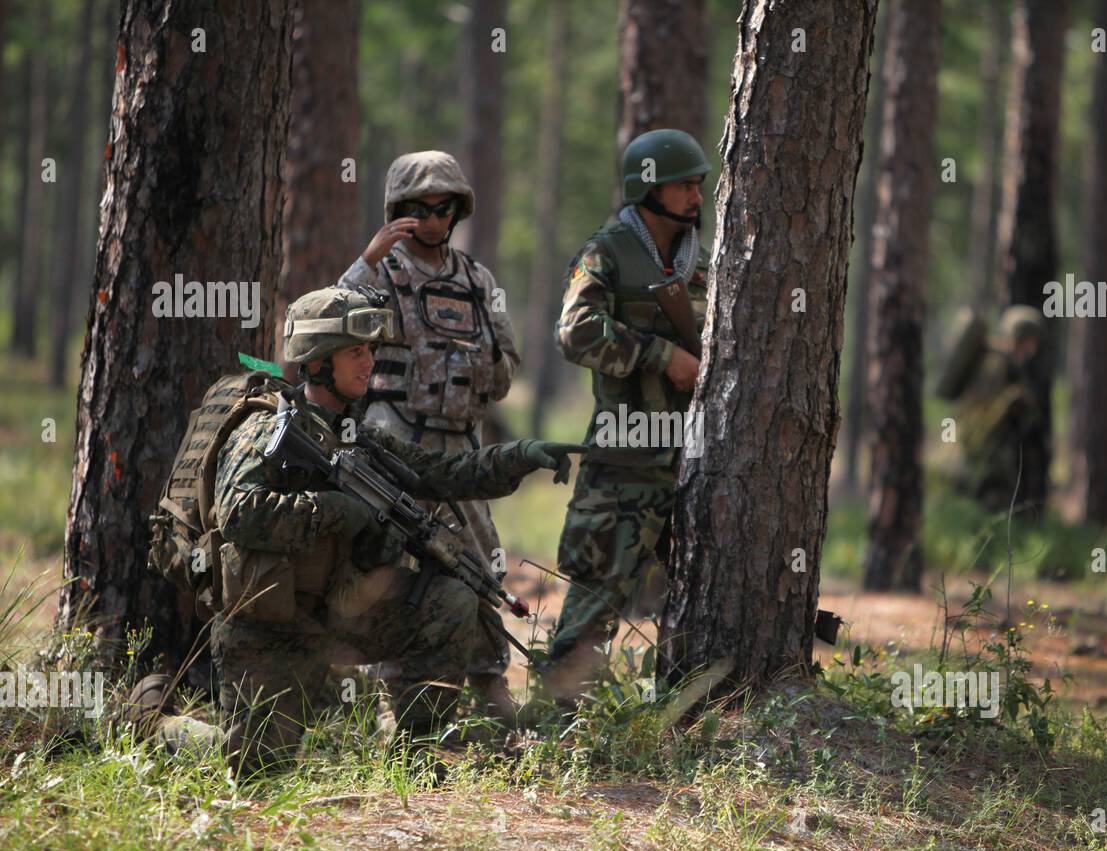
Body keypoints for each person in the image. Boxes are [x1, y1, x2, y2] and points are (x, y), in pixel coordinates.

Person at [124, 287, 582, 776]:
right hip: (270, 629)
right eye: (356, 352)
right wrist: (337, 510)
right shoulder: (266, 429)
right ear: (318, 360)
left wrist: (520, 456)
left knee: (450, 600)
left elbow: (441, 472)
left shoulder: (356, 435)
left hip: (343, 614)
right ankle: (151, 720)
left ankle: (414, 754)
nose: (369, 364)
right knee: (256, 766)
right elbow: (240, 511)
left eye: (371, 352)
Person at [336, 150, 522, 715]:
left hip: (459, 453)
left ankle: (490, 691)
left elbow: (508, 367)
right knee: (394, 570)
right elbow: (329, 325)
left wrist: (475, 364)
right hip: (394, 449)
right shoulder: (382, 273)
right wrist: (367, 260)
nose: (435, 220)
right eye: (421, 209)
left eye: (445, 208)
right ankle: (394, 701)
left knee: (479, 566)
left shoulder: (477, 280)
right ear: (399, 211)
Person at [543, 129, 712, 697]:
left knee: (698, 601)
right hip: (624, 457)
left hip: (694, 455)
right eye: (684, 185)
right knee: (595, 598)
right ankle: (560, 723)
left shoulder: (700, 261)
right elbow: (575, 333)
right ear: (649, 188)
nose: (696, 196)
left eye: (698, 184)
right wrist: (661, 356)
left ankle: (684, 712)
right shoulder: (607, 251)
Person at [958, 305, 1046, 512]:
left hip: (988, 448)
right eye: (1031, 340)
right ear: (1020, 336)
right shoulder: (997, 363)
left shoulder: (1002, 362)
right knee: (989, 506)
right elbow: (982, 409)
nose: (1033, 347)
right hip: (986, 451)